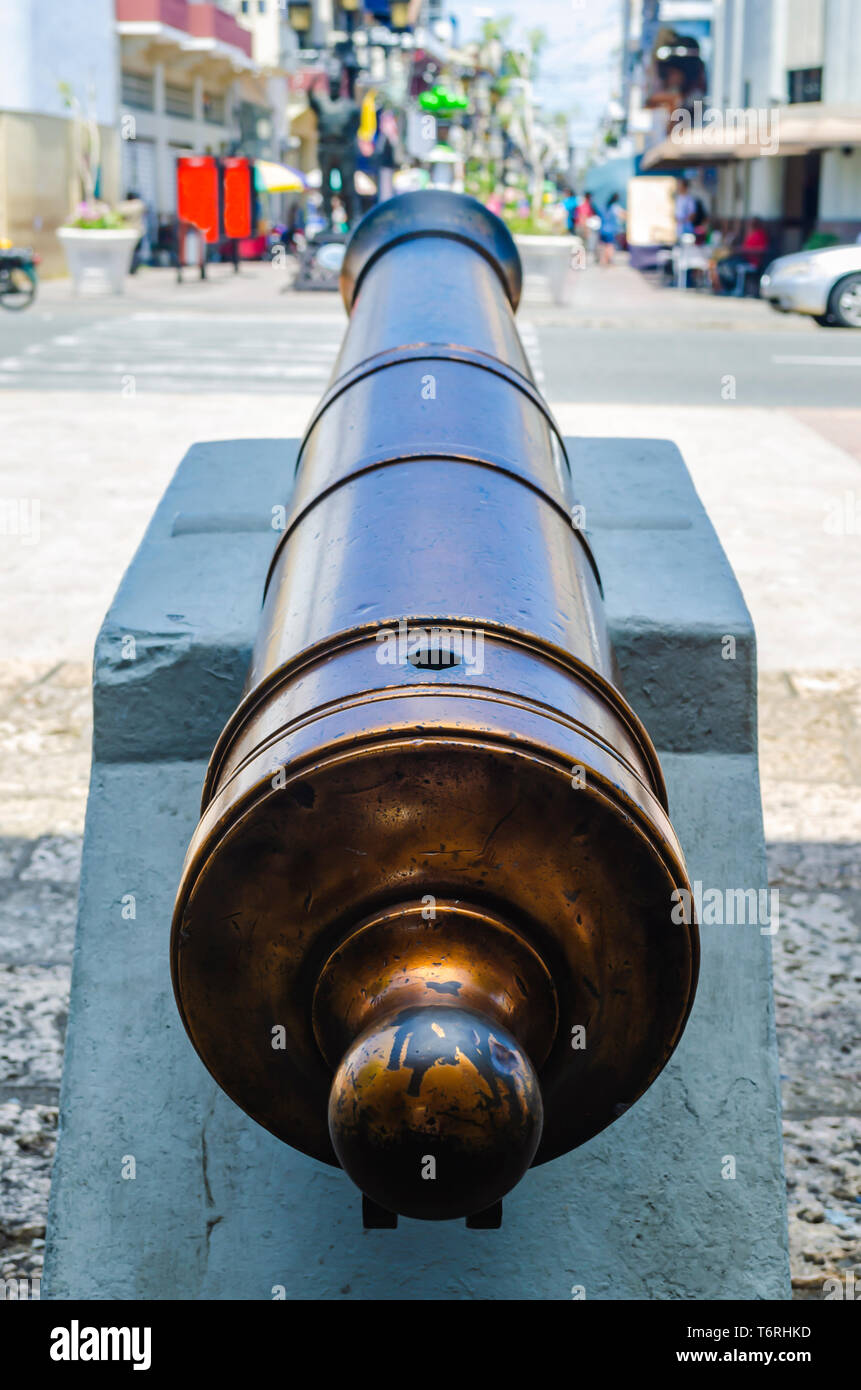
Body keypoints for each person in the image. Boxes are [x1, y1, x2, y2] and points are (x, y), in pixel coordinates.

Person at [714, 217, 770, 296]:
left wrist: (744, 250)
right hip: (744, 258)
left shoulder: (760, 234)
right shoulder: (751, 234)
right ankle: (726, 287)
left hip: (752, 261)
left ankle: (732, 287)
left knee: (729, 265)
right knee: (723, 263)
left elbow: (762, 249)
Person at [598, 193, 625, 266]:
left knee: (603, 246)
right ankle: (609, 261)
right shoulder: (615, 207)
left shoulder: (603, 207)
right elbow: (623, 215)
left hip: (602, 229)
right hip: (611, 230)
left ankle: (602, 261)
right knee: (610, 246)